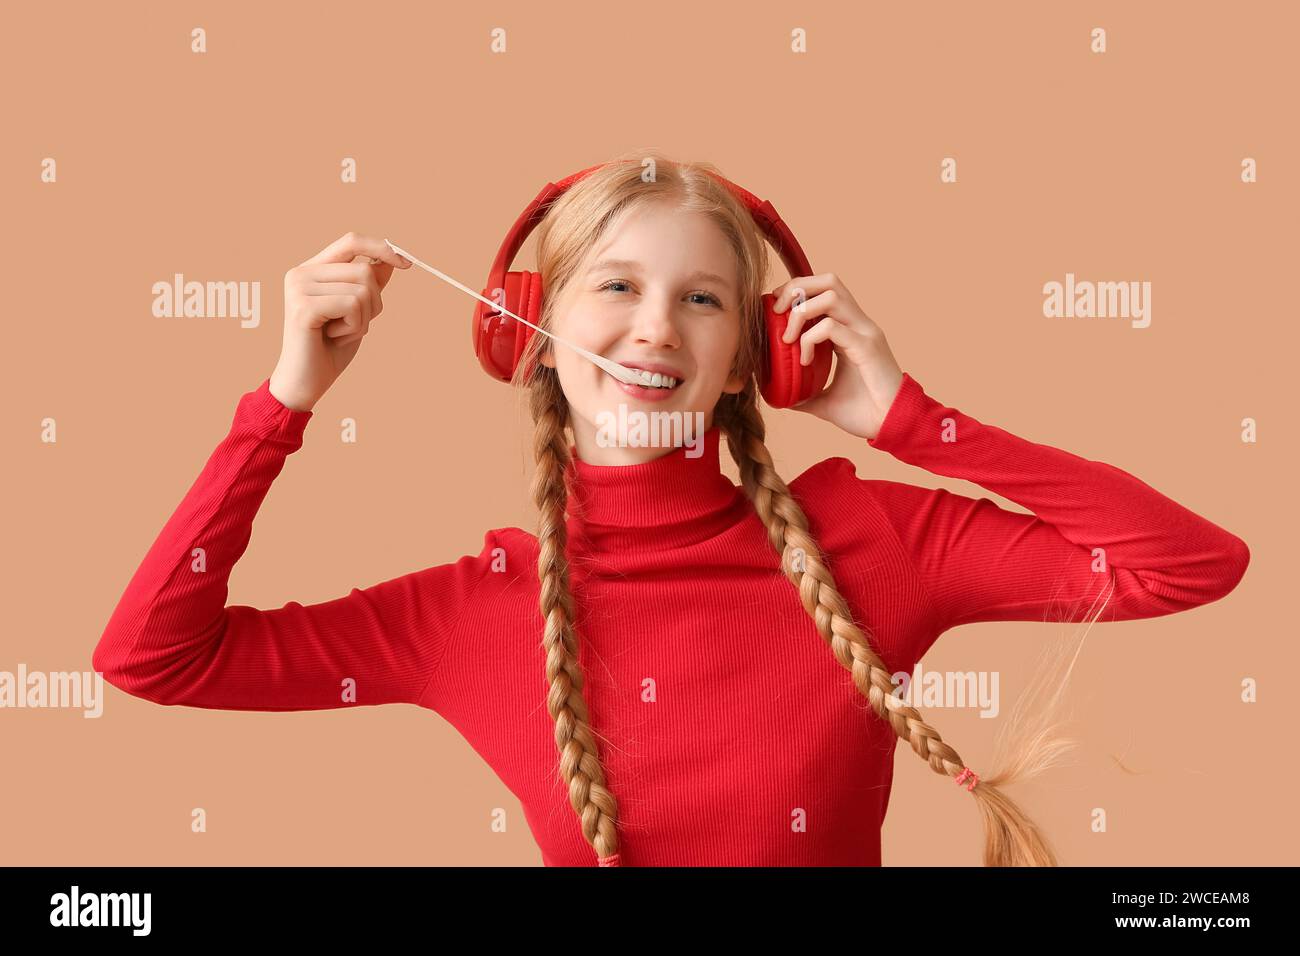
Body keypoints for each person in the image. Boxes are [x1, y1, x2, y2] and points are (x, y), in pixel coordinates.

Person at [93, 151, 1250, 867]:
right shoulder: (472, 610)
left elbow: (1187, 563)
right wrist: (286, 396)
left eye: (701, 298)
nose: (656, 329)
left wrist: (912, 420)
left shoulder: (874, 542)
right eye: (616, 286)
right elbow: (154, 655)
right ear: (524, 335)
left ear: (754, 355)